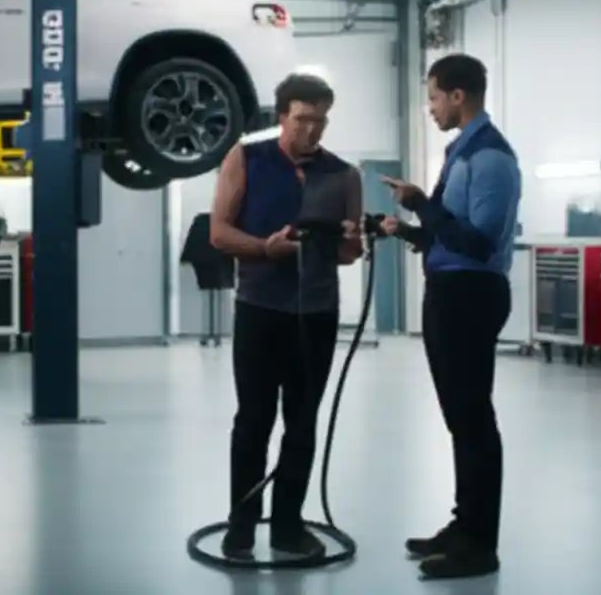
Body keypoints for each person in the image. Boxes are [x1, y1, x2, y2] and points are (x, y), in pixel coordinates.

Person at [209, 72, 364, 558]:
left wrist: (352, 239)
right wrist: (264, 249)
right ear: (281, 117)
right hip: (259, 310)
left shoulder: (344, 175)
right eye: (302, 120)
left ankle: (288, 526)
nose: (311, 131)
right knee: (253, 420)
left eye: (320, 121)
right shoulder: (246, 158)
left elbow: (347, 253)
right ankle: (241, 525)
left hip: (316, 314)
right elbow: (218, 233)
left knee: (302, 422)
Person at [380, 53, 520, 580]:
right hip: (450, 289)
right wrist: (407, 230)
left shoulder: (489, 159)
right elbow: (450, 238)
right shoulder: (461, 152)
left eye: (435, 97)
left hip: (470, 296)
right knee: (461, 419)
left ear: (458, 96)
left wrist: (421, 204)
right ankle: (464, 526)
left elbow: (479, 245)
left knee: (473, 419)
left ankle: (480, 544)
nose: (431, 107)